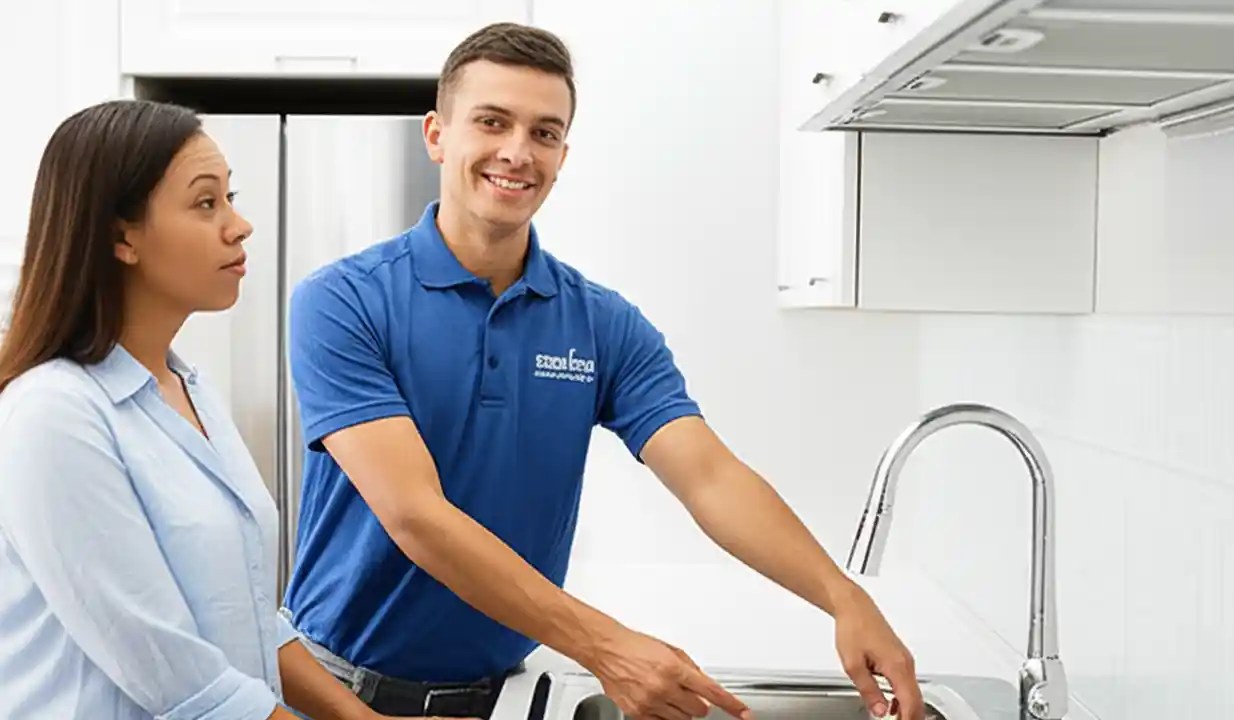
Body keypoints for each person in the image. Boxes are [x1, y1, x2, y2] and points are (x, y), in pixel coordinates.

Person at [281, 22, 924, 720]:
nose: (517, 153)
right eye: (492, 122)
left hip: (501, 698)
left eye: (545, 132)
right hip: (334, 694)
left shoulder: (599, 323)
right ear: (436, 134)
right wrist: (605, 646)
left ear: (563, 153)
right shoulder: (343, 300)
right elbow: (417, 516)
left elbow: (709, 476)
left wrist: (841, 595)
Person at [0, 99, 440, 720]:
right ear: (120, 235)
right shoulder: (54, 416)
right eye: (207, 204)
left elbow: (251, 619)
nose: (239, 225)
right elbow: (180, 680)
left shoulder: (190, 389)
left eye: (229, 198)